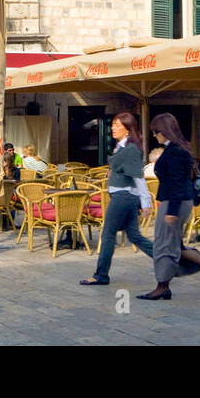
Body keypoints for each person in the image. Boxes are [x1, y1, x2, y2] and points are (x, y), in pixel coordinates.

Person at [136, 113, 200, 300]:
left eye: (156, 131)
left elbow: (176, 182)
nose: (154, 135)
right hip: (179, 201)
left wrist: (172, 211)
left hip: (173, 202)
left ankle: (162, 285)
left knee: (164, 245)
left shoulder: (175, 152)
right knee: (174, 244)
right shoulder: (179, 149)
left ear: (165, 131)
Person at [81, 112, 154, 286]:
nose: (113, 128)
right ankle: (168, 261)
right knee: (135, 236)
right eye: (113, 124)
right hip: (126, 197)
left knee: (107, 234)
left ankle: (101, 275)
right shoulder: (123, 147)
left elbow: (138, 177)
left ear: (128, 129)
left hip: (123, 197)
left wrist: (146, 203)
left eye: (118, 125)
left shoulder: (130, 149)